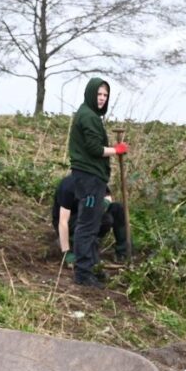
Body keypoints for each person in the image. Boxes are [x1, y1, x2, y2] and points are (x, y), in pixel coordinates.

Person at [65, 77, 127, 288]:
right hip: (89, 178)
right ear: (91, 94)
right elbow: (94, 149)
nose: (101, 99)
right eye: (99, 95)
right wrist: (116, 150)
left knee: (92, 222)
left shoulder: (88, 114)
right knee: (88, 224)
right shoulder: (89, 116)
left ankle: (90, 267)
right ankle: (83, 273)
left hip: (91, 177)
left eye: (105, 95)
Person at [50, 173, 128, 266]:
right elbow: (62, 222)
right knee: (105, 219)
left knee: (117, 208)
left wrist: (104, 204)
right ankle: (72, 243)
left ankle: (123, 252)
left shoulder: (96, 180)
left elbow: (107, 196)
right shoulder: (67, 187)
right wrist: (66, 252)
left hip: (91, 214)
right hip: (70, 220)